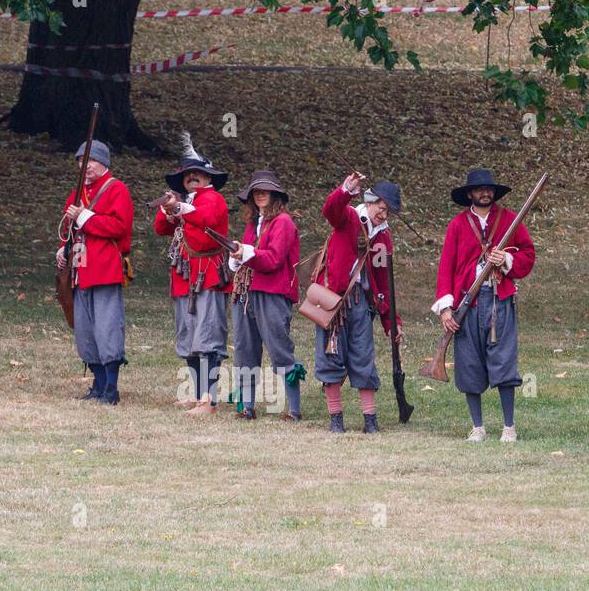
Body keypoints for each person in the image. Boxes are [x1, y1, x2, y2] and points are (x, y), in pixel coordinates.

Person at [432, 168, 535, 442]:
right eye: (479, 189)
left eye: (488, 189)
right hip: (467, 302)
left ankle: (508, 427)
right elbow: (446, 268)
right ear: (470, 194)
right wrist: (445, 307)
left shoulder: (510, 220)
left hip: (499, 300)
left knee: (503, 362)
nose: (485, 193)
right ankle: (478, 427)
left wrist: (507, 261)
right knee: (468, 364)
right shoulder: (456, 225)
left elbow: (528, 254)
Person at [315, 173, 403, 433]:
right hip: (334, 300)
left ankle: (370, 421)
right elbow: (330, 210)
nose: (384, 215)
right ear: (371, 201)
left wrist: (391, 322)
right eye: (382, 208)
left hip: (362, 304)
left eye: (389, 211)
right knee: (331, 357)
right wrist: (346, 189)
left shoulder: (383, 238)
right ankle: (336, 420)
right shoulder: (349, 217)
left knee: (364, 358)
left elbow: (383, 283)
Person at [154, 133, 232, 417]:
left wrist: (181, 207)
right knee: (188, 339)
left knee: (208, 338)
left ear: (208, 177)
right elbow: (161, 228)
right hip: (184, 278)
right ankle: (196, 395)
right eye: (188, 175)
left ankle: (209, 400)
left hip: (208, 276)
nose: (192, 178)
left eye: (197, 174)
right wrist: (168, 208)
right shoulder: (186, 202)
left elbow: (208, 220)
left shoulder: (214, 199)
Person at [57, 140, 134, 405]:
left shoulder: (117, 189)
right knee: (86, 330)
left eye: (90, 160)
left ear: (104, 163)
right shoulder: (77, 193)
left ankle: (111, 388)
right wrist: (62, 249)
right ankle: (98, 383)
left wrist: (84, 218)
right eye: (80, 161)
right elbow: (69, 228)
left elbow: (119, 227)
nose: (84, 166)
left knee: (107, 327)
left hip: (104, 268)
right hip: (80, 269)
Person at [227, 170, 303, 420]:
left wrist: (247, 253)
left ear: (275, 194)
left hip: (272, 293)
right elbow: (250, 257)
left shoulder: (283, 222)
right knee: (244, 349)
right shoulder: (253, 223)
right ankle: (246, 407)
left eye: (265, 190)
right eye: (256, 191)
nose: (260, 194)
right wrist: (237, 257)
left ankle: (294, 409)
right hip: (246, 292)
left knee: (279, 348)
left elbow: (273, 260)